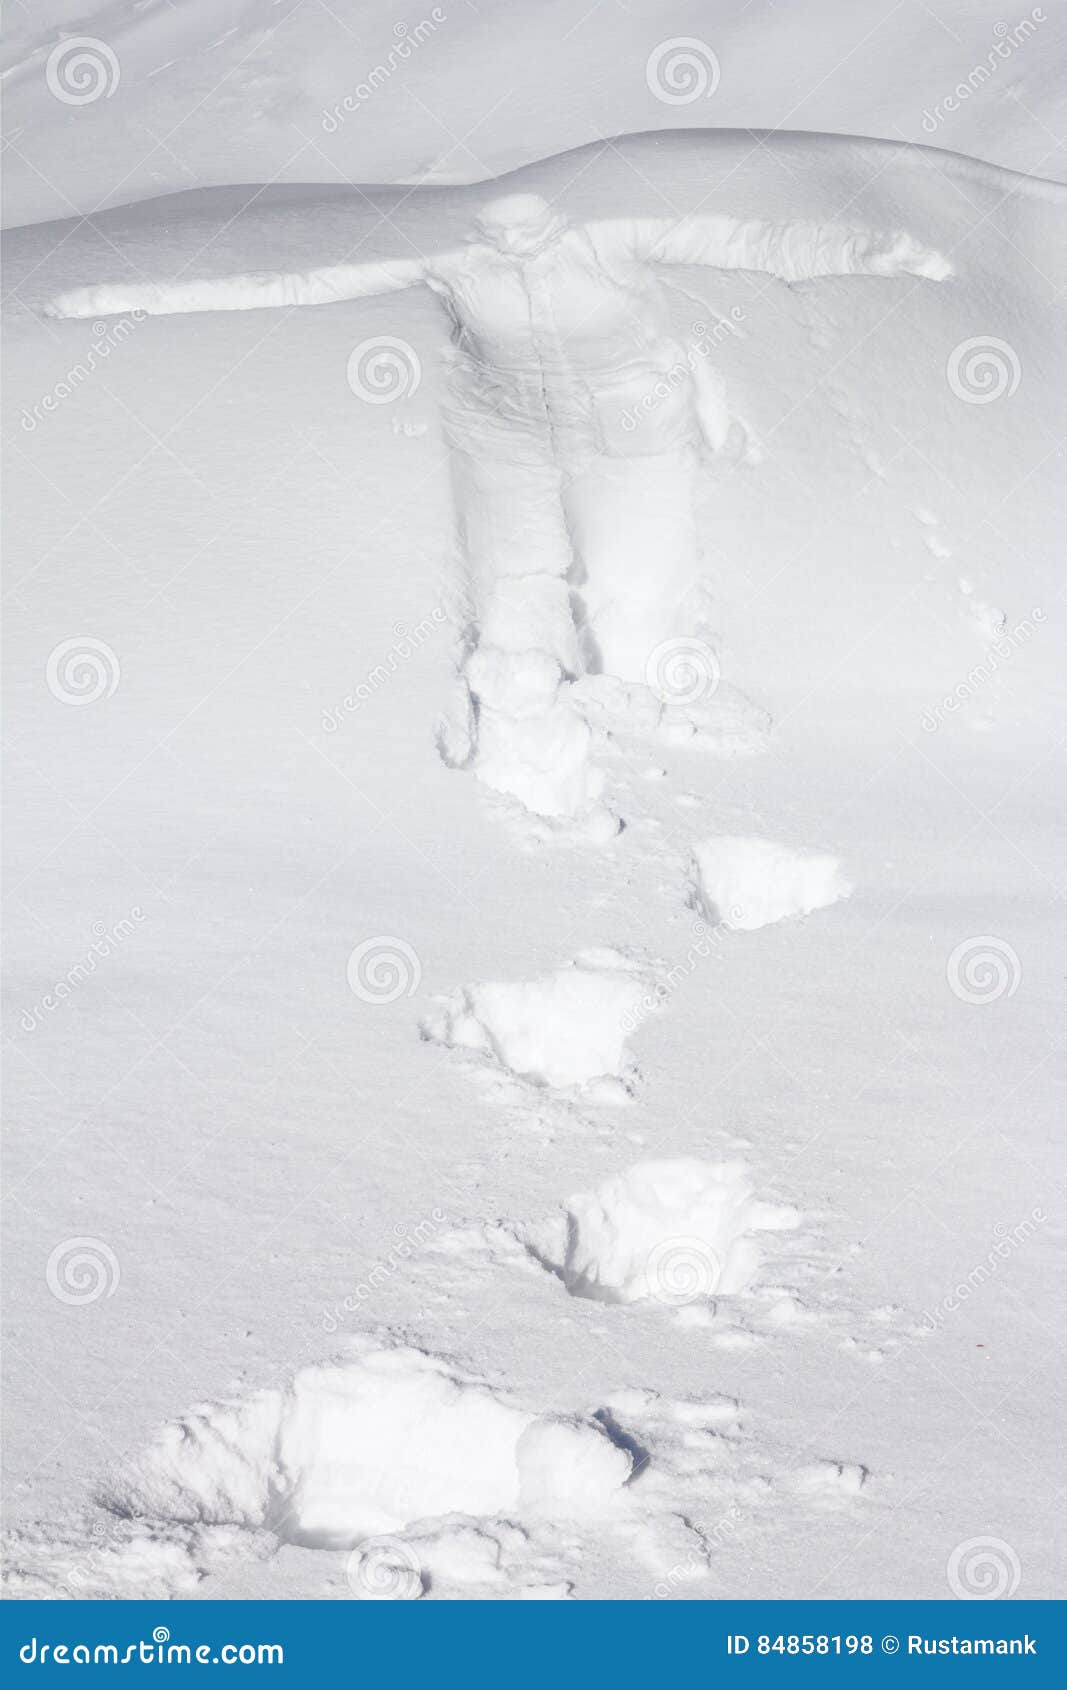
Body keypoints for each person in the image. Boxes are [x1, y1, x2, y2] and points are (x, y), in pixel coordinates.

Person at [48, 195, 949, 817]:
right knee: (514, 596)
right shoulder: (452, 255)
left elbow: (758, 243)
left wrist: (891, 252)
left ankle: (660, 717)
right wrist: (123, 296)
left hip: (630, 427)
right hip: (503, 428)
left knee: (633, 591)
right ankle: (523, 737)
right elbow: (298, 280)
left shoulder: (610, 232)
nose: (510, 234)